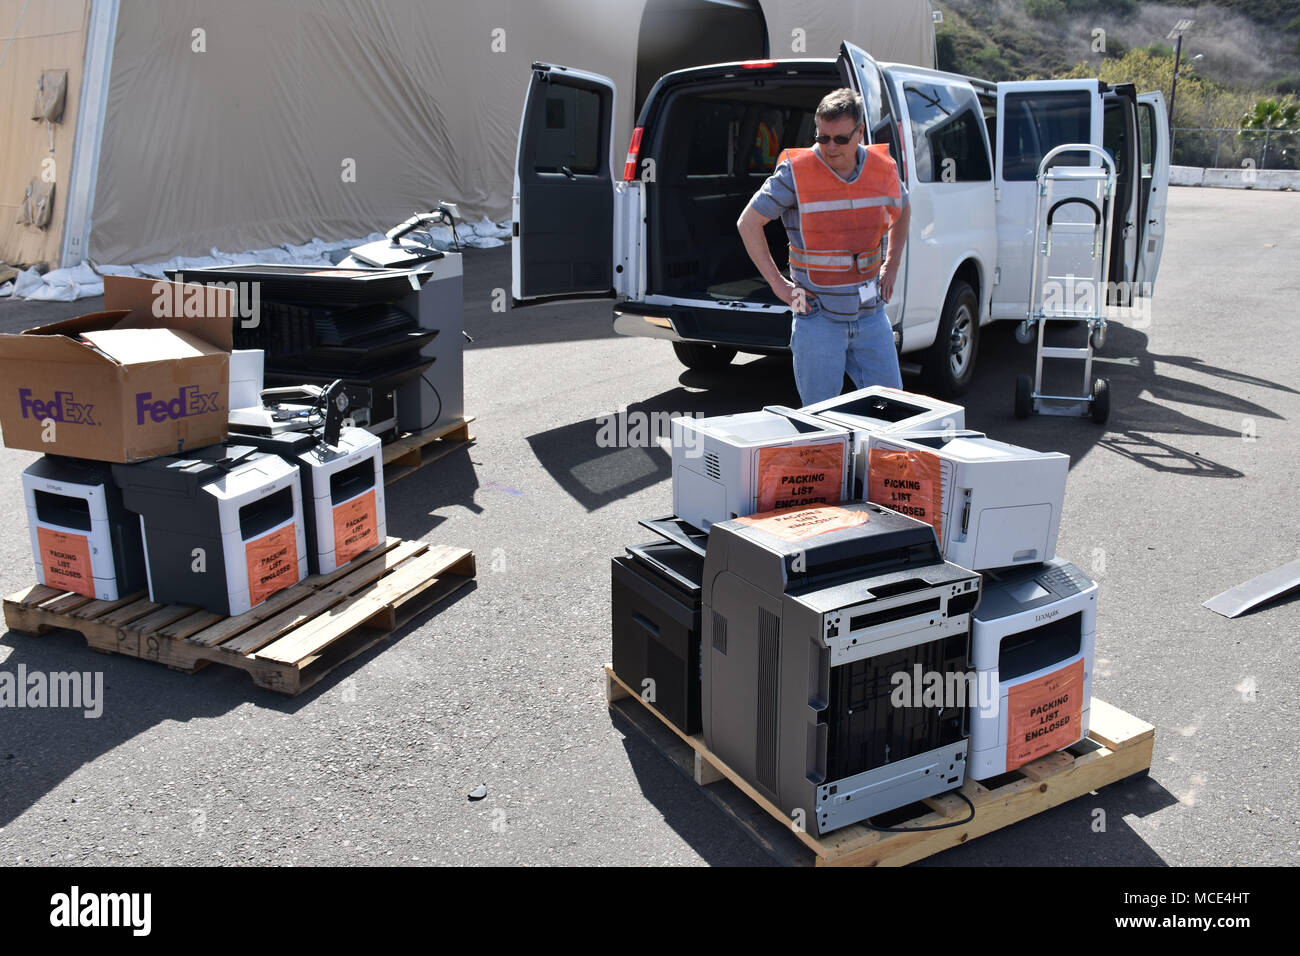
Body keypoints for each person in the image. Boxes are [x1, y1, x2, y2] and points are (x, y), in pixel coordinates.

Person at [736, 88, 911, 405]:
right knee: (819, 420)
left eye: (840, 139)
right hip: (814, 313)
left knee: (892, 410)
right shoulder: (795, 173)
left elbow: (904, 207)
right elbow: (748, 223)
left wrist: (891, 267)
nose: (830, 147)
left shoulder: (881, 169)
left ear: (859, 133)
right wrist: (779, 286)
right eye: (822, 137)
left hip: (870, 310)